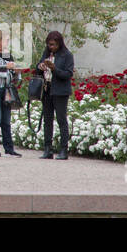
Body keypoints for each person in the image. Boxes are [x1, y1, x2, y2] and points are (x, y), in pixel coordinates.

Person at [35, 30, 75, 160]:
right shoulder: (47, 54)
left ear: (59, 44)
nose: (51, 47)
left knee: (61, 120)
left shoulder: (67, 55)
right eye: (49, 44)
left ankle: (63, 150)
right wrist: (40, 66)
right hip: (47, 90)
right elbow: (38, 69)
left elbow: (68, 74)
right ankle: (48, 149)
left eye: (53, 45)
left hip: (60, 91)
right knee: (47, 120)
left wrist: (54, 69)